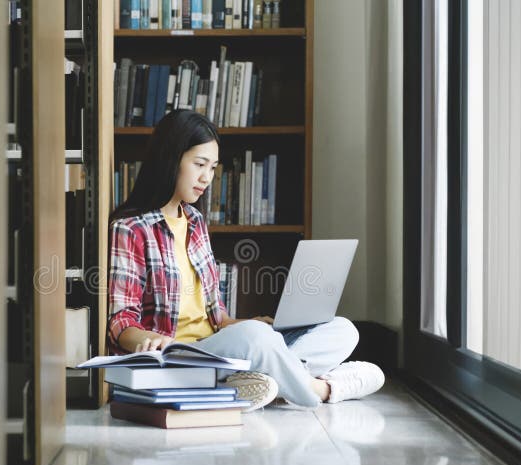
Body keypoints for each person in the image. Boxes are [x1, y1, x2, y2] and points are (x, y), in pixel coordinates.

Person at [107, 109, 384, 410]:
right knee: (257, 338)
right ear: (170, 158)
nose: (206, 178)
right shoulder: (131, 229)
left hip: (220, 348)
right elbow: (121, 323)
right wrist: (152, 340)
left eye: (212, 167)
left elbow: (217, 319)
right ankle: (319, 389)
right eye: (199, 164)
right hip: (183, 356)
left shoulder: (195, 221)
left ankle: (265, 380)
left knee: (342, 329)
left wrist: (247, 324)